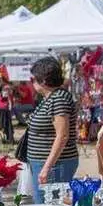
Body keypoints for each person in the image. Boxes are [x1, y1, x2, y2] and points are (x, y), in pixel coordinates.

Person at [24, 55, 79, 197]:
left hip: (55, 165)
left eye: (33, 79)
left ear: (43, 80)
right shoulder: (50, 97)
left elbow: (62, 136)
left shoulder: (58, 98)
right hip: (45, 163)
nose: (31, 83)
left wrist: (46, 168)